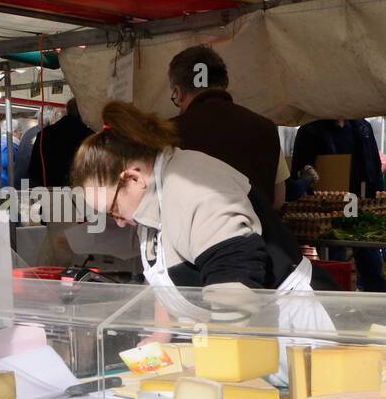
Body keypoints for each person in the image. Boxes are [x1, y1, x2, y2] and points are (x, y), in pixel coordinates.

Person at [71, 101, 327, 293]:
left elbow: (234, 276)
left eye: (113, 209)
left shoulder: (189, 187)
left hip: (295, 326)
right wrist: (161, 335)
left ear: (133, 178)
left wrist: (216, 351)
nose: (118, 221)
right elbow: (163, 270)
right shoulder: (150, 198)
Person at [168, 44, 282, 211]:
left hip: (196, 236)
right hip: (258, 234)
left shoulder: (167, 133)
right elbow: (278, 200)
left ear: (178, 92)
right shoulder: (266, 128)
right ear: (224, 83)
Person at [291, 118, 386, 291]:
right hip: (329, 211)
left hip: (361, 208)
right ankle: (337, 312)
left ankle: (378, 311)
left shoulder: (362, 128)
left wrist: (378, 206)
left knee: (372, 266)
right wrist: (306, 174)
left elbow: (373, 166)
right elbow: (298, 172)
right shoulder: (311, 130)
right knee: (335, 268)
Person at [28, 98, 92, 189]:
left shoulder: (44, 134)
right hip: (79, 194)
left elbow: (33, 170)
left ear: (67, 110)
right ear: (83, 112)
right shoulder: (89, 137)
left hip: (48, 193)